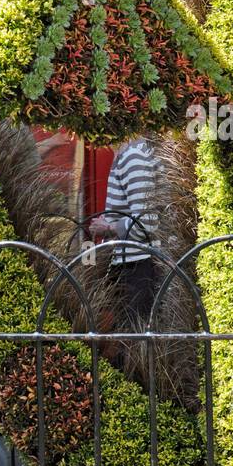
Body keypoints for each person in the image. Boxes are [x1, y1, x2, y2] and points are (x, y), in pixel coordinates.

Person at [89, 137, 159, 328]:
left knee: (133, 341)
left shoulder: (133, 156)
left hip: (138, 268)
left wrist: (109, 228)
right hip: (130, 265)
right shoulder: (129, 154)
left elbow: (146, 222)